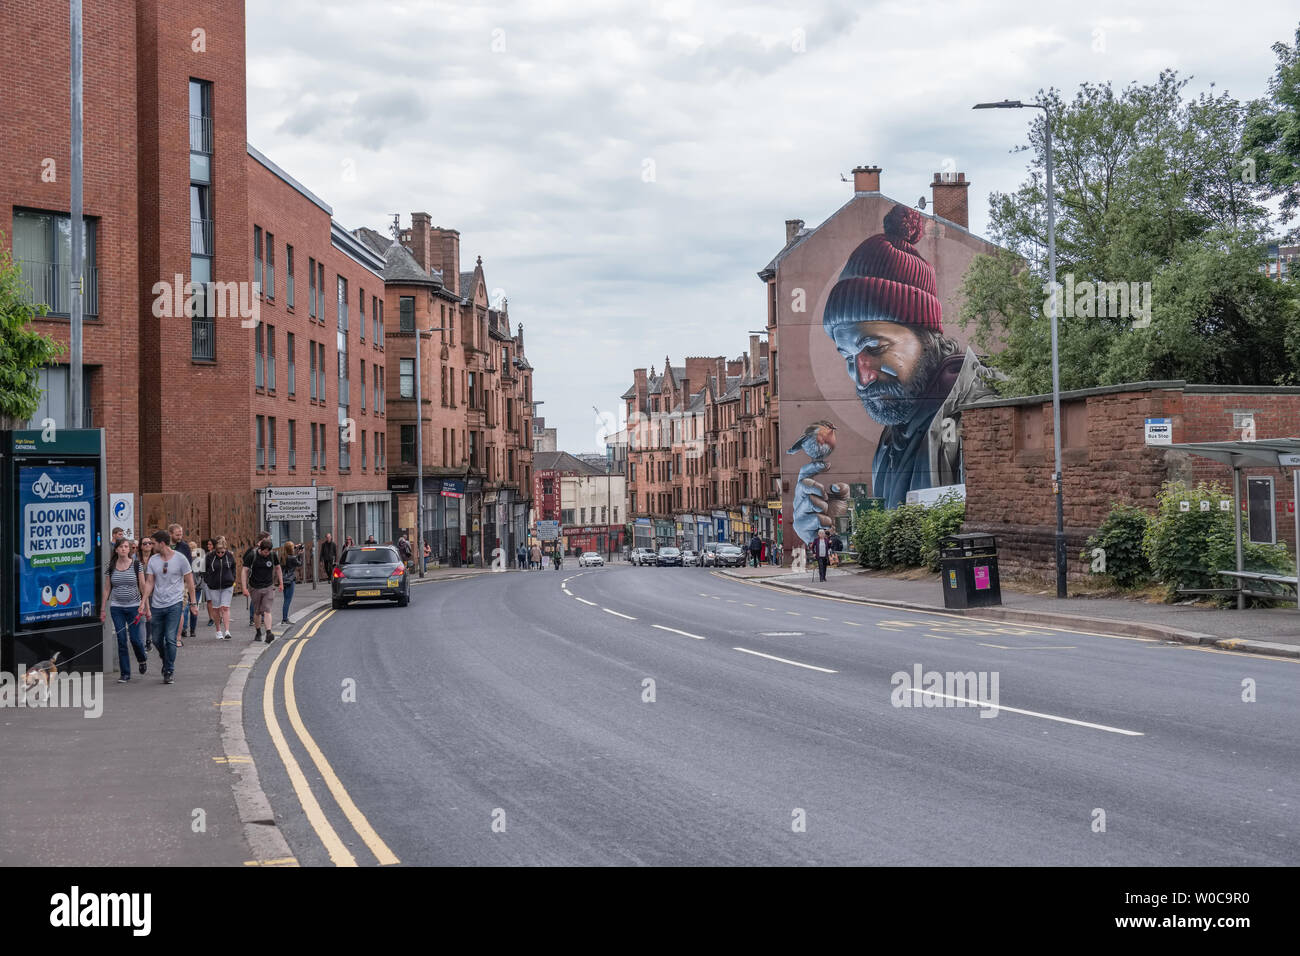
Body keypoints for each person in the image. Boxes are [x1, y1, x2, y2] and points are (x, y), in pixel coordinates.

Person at [141, 530, 198, 684]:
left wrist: (193, 603)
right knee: (157, 639)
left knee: (170, 638)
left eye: (153, 543)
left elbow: (190, 582)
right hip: (157, 604)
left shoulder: (180, 559)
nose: (151, 546)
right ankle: (166, 660)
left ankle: (169, 670)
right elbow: (150, 582)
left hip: (175, 603)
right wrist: (143, 602)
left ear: (162, 543)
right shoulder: (153, 560)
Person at [100, 537, 148, 682]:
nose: (123, 549)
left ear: (130, 549)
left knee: (135, 639)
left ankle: (142, 659)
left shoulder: (136, 565)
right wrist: (103, 608)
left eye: (126, 547)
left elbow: (142, 585)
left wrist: (143, 604)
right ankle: (125, 673)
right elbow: (107, 588)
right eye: (121, 547)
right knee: (121, 640)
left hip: (134, 606)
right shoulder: (111, 566)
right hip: (117, 607)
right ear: (116, 549)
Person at [242, 537, 283, 643]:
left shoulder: (273, 555)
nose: (267, 554)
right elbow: (244, 571)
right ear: (261, 549)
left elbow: (278, 568)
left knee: (267, 609)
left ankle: (269, 632)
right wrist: (244, 588)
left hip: (269, 586)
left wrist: (281, 583)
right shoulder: (253, 555)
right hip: (255, 587)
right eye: (265, 552)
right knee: (257, 611)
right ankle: (258, 632)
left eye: (269, 551)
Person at [203, 535, 238, 640]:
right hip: (213, 586)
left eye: (222, 552)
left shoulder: (230, 556)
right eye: (218, 552)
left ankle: (227, 631)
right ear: (215, 550)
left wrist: (232, 579)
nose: (220, 554)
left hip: (227, 585)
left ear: (225, 549)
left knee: (225, 607)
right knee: (216, 609)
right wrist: (208, 580)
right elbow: (204, 570)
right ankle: (218, 630)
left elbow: (233, 568)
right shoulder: (209, 557)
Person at [169, 524, 193, 644]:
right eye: (177, 534)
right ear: (170, 534)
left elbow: (188, 565)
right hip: (166, 583)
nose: (180, 536)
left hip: (181, 582)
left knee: (180, 609)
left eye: (181, 534)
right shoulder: (165, 546)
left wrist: (186, 582)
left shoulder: (184, 546)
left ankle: (178, 638)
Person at [244, 531, 272, 626]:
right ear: (263, 539)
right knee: (255, 600)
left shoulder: (268, 551)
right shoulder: (254, 550)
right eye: (268, 539)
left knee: (264, 600)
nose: (270, 541)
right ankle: (253, 618)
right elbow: (245, 559)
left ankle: (262, 618)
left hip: (265, 580)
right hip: (255, 579)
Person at [136, 537, 155, 650]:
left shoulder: (156, 559)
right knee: (142, 616)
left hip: (154, 593)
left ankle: (149, 638)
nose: (147, 545)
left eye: (149, 543)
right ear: (141, 546)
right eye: (145, 543)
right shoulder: (136, 560)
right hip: (139, 592)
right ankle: (142, 639)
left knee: (150, 617)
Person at [280, 541, 301, 626]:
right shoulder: (292, 558)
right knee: (288, 600)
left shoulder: (283, 556)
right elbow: (299, 563)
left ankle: (285, 618)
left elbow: (288, 550)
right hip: (290, 580)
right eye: (293, 547)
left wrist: (295, 546)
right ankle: (284, 619)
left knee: (285, 599)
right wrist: (300, 555)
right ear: (290, 549)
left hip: (284, 580)